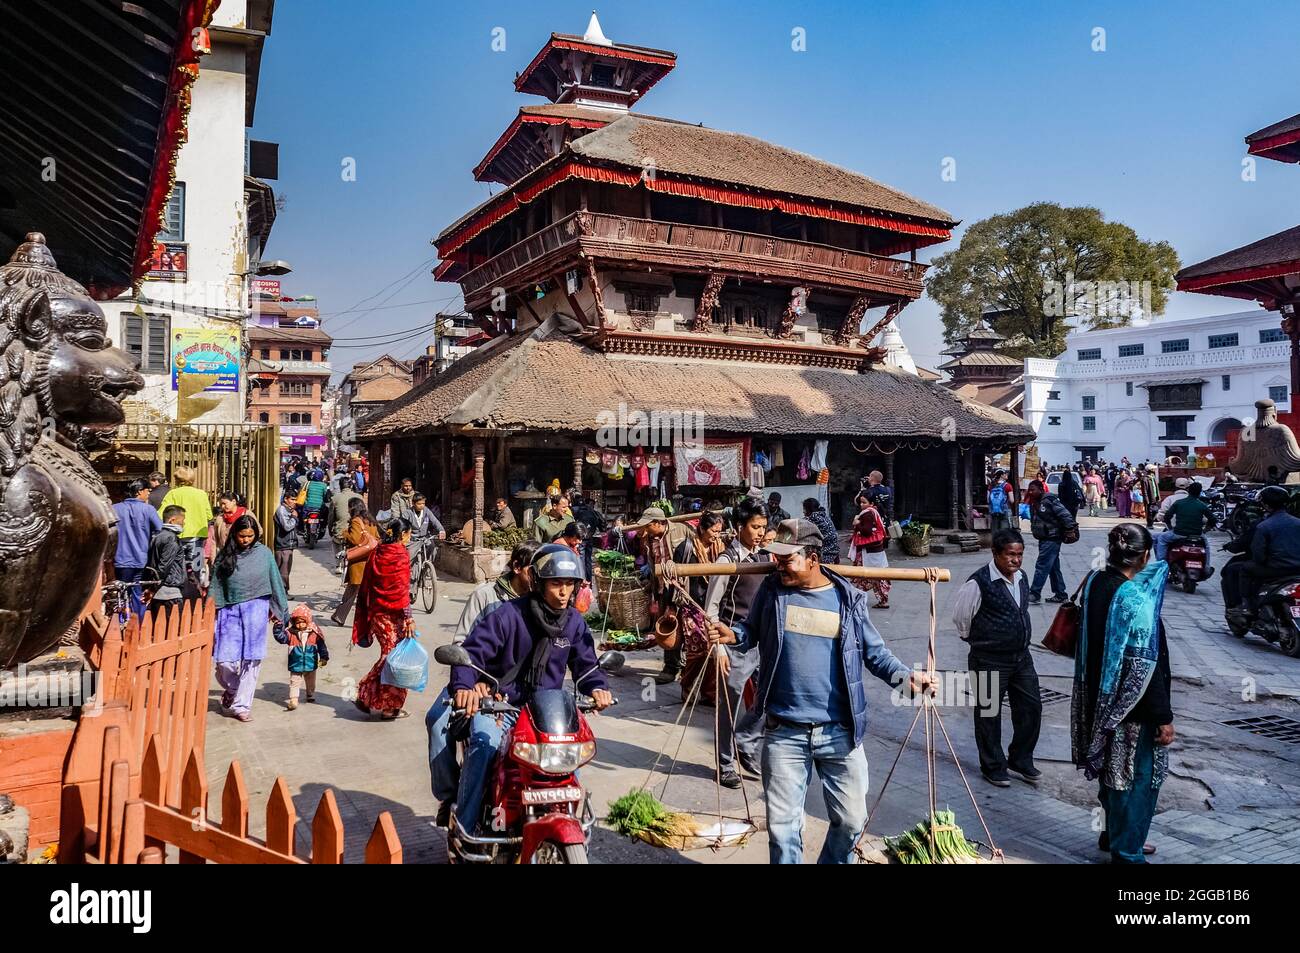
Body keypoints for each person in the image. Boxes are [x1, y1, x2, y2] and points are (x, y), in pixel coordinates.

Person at [708, 518, 933, 864]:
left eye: (788, 558)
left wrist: (907, 680)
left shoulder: (849, 600)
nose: (779, 565)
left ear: (813, 558)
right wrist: (733, 635)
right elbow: (750, 630)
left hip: (839, 732)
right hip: (785, 731)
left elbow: (875, 654)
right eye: (776, 558)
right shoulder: (772, 591)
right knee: (782, 830)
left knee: (851, 821)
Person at [426, 543, 613, 832]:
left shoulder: (574, 622)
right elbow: (471, 654)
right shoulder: (508, 615)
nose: (563, 592)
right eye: (556, 584)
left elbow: (586, 662)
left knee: (568, 758)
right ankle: (464, 828)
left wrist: (597, 687)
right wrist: (465, 686)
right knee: (484, 745)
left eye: (569, 584)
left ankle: (568, 815)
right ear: (538, 582)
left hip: (545, 713)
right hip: (501, 706)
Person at [1072, 524, 1174, 864]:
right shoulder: (1134, 598)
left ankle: (1113, 836)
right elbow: (1146, 665)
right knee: (1136, 783)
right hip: (1133, 708)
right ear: (1145, 555)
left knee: (1111, 776)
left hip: (1098, 695)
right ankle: (1127, 852)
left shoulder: (1096, 580)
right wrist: (1163, 717)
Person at [951, 529, 1042, 788]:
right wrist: (980, 642)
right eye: (1010, 555)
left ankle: (1021, 758)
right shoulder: (978, 582)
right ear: (996, 554)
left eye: (1020, 555)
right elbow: (961, 617)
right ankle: (993, 765)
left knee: (1031, 708)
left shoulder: (1022, 577)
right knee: (989, 713)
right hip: (989, 659)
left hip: (1021, 658)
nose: (1015, 560)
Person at [702, 499, 770, 786]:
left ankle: (745, 741)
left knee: (767, 699)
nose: (759, 532)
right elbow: (710, 609)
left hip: (759, 643)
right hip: (732, 644)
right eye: (755, 527)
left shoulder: (762, 557)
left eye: (763, 528)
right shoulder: (726, 562)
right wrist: (718, 647)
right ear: (740, 527)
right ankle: (725, 764)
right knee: (728, 707)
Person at [211, 514, 288, 723]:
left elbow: (275, 581)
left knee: (252, 659)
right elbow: (215, 585)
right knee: (224, 660)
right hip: (229, 611)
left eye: (250, 536)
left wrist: (281, 611)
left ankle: (242, 705)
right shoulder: (224, 556)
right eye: (242, 536)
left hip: (257, 610)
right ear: (234, 534)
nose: (246, 540)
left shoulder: (264, 554)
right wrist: (211, 609)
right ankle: (234, 688)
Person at [352, 517, 417, 720]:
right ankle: (371, 697)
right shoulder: (400, 555)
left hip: (377, 614)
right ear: (402, 534)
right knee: (393, 659)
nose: (410, 537)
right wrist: (409, 619)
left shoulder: (378, 552)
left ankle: (386, 704)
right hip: (394, 616)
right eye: (409, 533)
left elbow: (370, 583)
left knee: (393, 657)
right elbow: (402, 591)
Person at [1221, 486, 1300, 626]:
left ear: (1265, 504)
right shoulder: (1297, 522)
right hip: (1296, 568)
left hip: (1276, 568)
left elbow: (1259, 556)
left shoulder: (1264, 526)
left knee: (1245, 569)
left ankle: (1246, 606)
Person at [668, 511, 726, 692]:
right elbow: (673, 580)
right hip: (691, 607)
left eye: (719, 532)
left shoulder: (721, 550)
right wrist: (670, 607)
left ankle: (708, 692)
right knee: (696, 651)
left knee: (712, 650)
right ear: (701, 528)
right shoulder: (686, 548)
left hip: (712, 607)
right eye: (713, 531)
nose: (716, 536)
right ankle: (687, 686)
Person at [454, 540, 540, 643]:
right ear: (517, 567)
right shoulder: (485, 596)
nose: (538, 576)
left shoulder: (542, 599)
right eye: (533, 570)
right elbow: (462, 643)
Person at [157, 466, 213, 594]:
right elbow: (209, 515)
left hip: (179, 535)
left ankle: (182, 592)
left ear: (177, 479)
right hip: (198, 537)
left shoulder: (173, 494)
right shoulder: (201, 494)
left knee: (179, 565)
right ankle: (197, 593)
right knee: (197, 566)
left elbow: (162, 514)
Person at [113, 478, 163, 620]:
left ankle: (121, 621)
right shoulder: (148, 510)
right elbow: (159, 529)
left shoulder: (115, 509)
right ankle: (137, 626)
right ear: (139, 491)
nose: (149, 494)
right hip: (141, 559)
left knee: (121, 593)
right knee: (137, 594)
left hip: (120, 559)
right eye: (148, 491)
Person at [330, 497, 378, 626]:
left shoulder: (356, 521)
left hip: (358, 561)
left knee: (354, 589)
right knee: (358, 590)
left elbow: (356, 540)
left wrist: (345, 533)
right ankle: (340, 616)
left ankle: (343, 616)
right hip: (369, 559)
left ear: (352, 508)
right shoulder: (370, 520)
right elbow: (377, 538)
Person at [1028, 482, 1077, 605]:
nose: (1030, 492)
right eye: (1029, 490)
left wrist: (1070, 529)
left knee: (1042, 565)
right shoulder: (1035, 502)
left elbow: (1065, 514)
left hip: (1052, 538)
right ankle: (1060, 594)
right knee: (1053, 568)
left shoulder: (1049, 500)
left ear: (1040, 489)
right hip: (1044, 538)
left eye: (1032, 489)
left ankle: (1034, 593)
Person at [847, 491, 891, 609]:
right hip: (877, 550)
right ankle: (883, 600)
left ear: (871, 503)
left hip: (867, 552)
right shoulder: (875, 511)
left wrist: (857, 524)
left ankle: (854, 599)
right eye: (861, 502)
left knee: (858, 576)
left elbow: (866, 531)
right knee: (878, 576)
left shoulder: (867, 514)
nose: (861, 505)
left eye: (864, 502)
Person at [1154, 481, 1213, 568]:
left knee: (1160, 538)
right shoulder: (1201, 504)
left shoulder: (1177, 502)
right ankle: (1207, 567)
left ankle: (1161, 565)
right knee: (1206, 546)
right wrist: (1205, 530)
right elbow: (1212, 520)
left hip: (1178, 533)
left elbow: (1166, 517)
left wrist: (1170, 527)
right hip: (1197, 535)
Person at [282, 604, 329, 710]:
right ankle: (293, 700)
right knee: (294, 682)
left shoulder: (315, 633)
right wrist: (277, 629)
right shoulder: (290, 633)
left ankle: (310, 694)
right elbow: (281, 638)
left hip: (310, 663)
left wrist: (324, 657)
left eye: (303, 621)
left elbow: (322, 646)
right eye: (297, 622)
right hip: (295, 663)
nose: (300, 624)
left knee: (311, 682)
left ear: (308, 621)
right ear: (293, 622)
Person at [146, 505, 188, 618]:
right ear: (172, 520)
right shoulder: (171, 538)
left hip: (159, 592)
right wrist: (153, 588)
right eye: (182, 521)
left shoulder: (157, 536)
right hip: (170, 593)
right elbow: (164, 566)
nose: (183, 524)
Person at [209, 490, 261, 560]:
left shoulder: (247, 514)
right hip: (226, 557)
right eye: (221, 504)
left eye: (224, 503)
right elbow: (214, 540)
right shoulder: (220, 519)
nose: (222, 506)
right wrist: (213, 558)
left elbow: (259, 531)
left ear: (234, 502)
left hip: (245, 555)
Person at [272, 491, 299, 591]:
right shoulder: (282, 510)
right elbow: (287, 527)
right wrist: (294, 518)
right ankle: (282, 592)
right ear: (285, 499)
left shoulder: (290, 510)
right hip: (283, 545)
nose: (294, 502)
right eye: (292, 499)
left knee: (286, 570)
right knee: (283, 572)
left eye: (295, 499)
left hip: (289, 544)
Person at [801, 497, 840, 566]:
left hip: (826, 554)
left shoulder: (814, 519)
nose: (803, 512)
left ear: (808, 509)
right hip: (834, 552)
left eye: (804, 509)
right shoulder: (823, 516)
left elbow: (800, 528)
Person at [330, 474, 361, 543]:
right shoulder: (359, 497)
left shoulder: (335, 498)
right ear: (351, 486)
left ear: (340, 486)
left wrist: (330, 531)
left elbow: (331, 518)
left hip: (340, 535)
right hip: (357, 533)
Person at [1141, 465, 1161, 530]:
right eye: (1153, 469)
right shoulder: (1145, 479)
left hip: (1155, 497)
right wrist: (1146, 499)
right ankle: (1149, 524)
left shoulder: (1153, 478)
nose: (1154, 470)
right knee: (1149, 512)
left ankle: (1151, 522)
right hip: (1149, 498)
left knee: (1155, 510)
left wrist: (1158, 496)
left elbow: (1156, 488)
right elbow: (1144, 491)